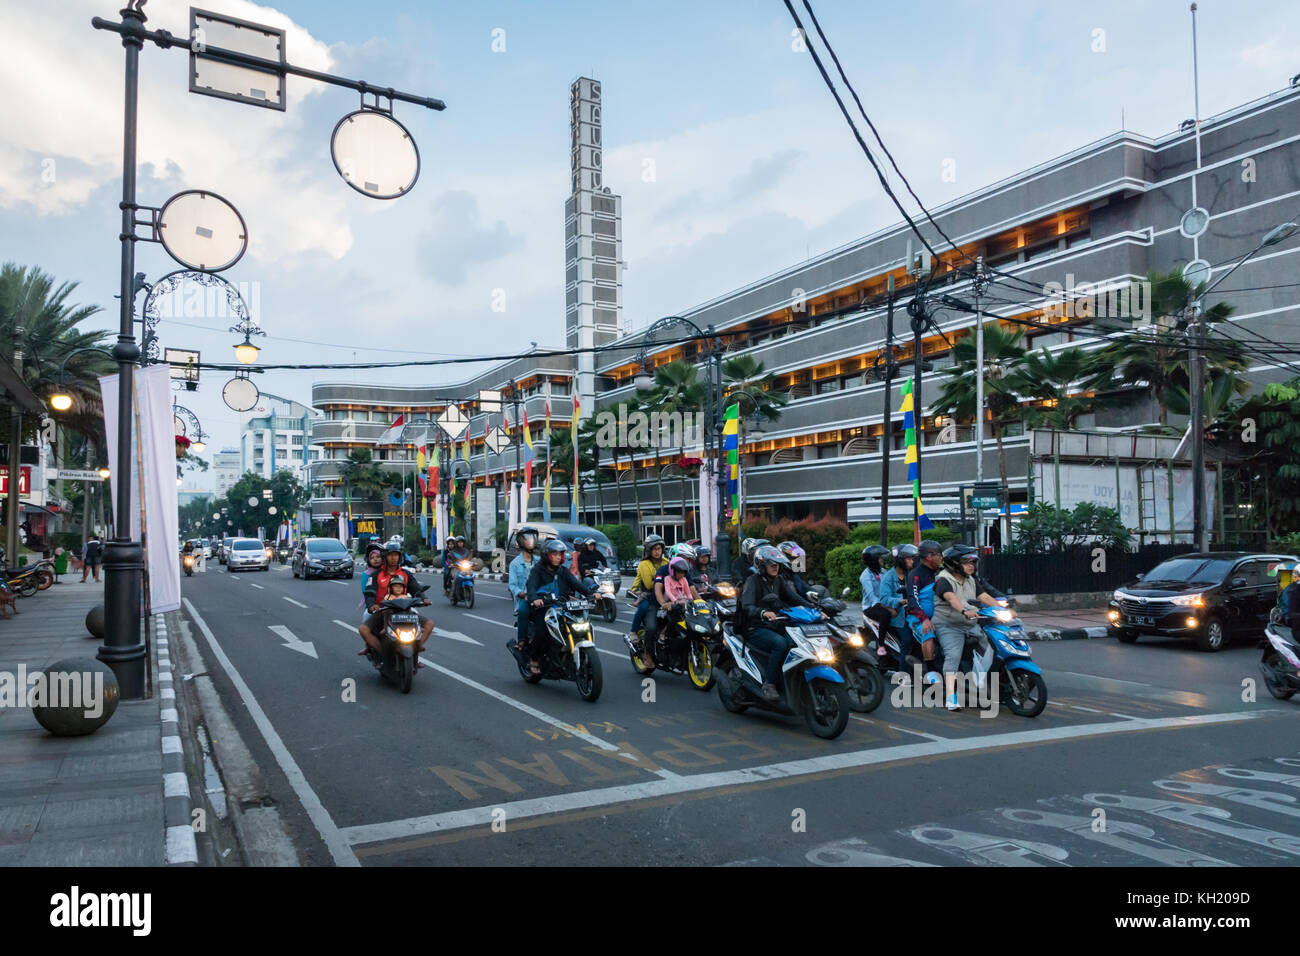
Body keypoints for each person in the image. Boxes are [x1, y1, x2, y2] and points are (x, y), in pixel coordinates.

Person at [932, 544, 1006, 710]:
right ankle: (951, 697)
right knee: (953, 656)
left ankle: (986, 687)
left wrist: (1003, 610)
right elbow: (951, 598)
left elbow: (984, 596)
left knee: (993, 649)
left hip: (970, 623)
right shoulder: (943, 579)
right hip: (949, 624)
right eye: (967, 562)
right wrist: (965, 610)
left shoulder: (970, 580)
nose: (971, 565)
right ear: (954, 564)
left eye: (973, 562)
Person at [740, 545, 817, 703]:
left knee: (797, 643)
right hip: (756, 626)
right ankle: (769, 684)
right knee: (780, 644)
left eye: (777, 564)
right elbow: (746, 606)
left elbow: (794, 598)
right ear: (762, 565)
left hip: (775, 624)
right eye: (771, 564)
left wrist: (815, 610)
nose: (775, 567)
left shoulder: (778, 580)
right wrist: (762, 612)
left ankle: (790, 680)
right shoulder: (752, 581)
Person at [525, 539, 594, 674]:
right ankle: (534, 659)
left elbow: (576, 584)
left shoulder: (563, 571)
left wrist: (591, 593)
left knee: (580, 625)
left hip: (562, 606)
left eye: (560, 554)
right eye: (554, 554)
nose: (558, 557)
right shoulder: (537, 570)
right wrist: (535, 599)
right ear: (546, 555)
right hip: (543, 608)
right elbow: (531, 586)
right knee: (541, 633)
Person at [357, 575, 434, 662]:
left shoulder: (406, 596)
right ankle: (382, 655)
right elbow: (373, 597)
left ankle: (417, 647)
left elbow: (416, 594)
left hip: (406, 616)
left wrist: (423, 600)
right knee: (366, 627)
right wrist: (374, 605)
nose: (398, 588)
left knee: (429, 624)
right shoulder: (387, 596)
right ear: (390, 588)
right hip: (389, 615)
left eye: (400, 586)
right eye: (395, 586)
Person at [904, 539, 945, 684]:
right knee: (927, 632)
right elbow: (913, 601)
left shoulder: (941, 573)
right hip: (918, 618)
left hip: (940, 616)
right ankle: (932, 673)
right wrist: (924, 619)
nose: (941, 557)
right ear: (929, 556)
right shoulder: (915, 575)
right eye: (939, 554)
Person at [877, 544, 917, 678]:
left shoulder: (910, 576)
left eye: (912, 558)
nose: (912, 561)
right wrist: (899, 601)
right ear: (901, 560)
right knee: (907, 640)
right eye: (909, 559)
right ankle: (903, 673)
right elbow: (883, 598)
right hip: (898, 616)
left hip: (913, 613)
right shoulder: (888, 577)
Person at [627, 535, 668, 657]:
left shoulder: (667, 562)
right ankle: (633, 632)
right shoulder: (644, 564)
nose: (657, 552)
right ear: (649, 550)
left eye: (659, 549)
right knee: (644, 608)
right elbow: (650, 584)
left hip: (664, 594)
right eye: (654, 549)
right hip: (644, 593)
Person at [509, 526, 540, 660]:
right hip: (525, 599)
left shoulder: (540, 561)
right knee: (523, 611)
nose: (531, 541)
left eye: (533, 537)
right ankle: (521, 640)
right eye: (527, 538)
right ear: (521, 541)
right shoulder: (515, 564)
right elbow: (513, 585)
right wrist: (523, 594)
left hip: (540, 597)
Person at [365, 543, 424, 611]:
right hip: (381, 610)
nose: (393, 558)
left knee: (428, 622)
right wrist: (371, 604)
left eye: (396, 555)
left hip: (404, 610)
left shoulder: (406, 573)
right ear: (385, 557)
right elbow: (370, 592)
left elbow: (415, 588)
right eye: (390, 555)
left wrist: (424, 598)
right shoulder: (376, 575)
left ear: (399, 557)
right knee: (367, 621)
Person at [859, 544, 894, 633]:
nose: (882, 560)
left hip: (884, 602)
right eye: (880, 558)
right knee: (885, 614)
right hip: (870, 606)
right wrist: (888, 607)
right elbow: (872, 597)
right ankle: (881, 644)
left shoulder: (883, 571)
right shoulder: (865, 576)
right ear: (874, 560)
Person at [358, 543, 385, 621]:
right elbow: (365, 591)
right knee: (366, 618)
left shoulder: (388, 571)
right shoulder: (366, 574)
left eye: (378, 557)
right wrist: (372, 604)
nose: (375, 559)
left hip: (389, 603)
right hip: (372, 604)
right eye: (372, 558)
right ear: (369, 560)